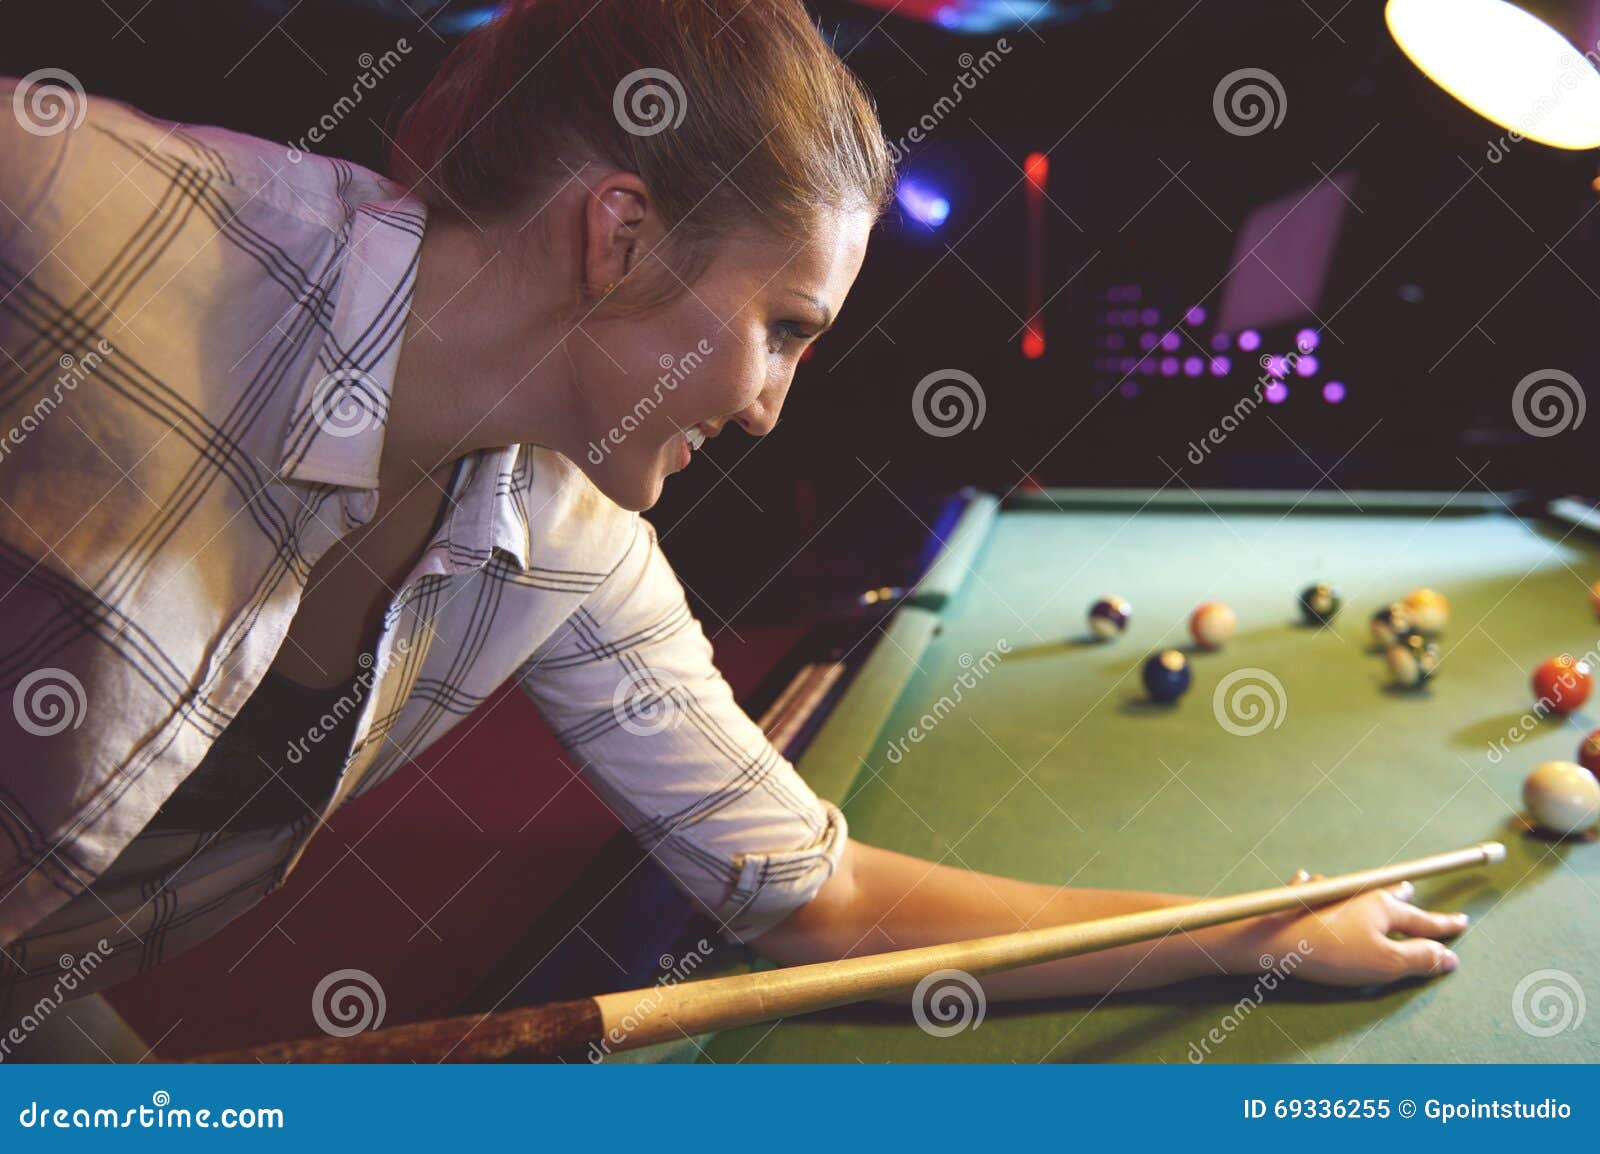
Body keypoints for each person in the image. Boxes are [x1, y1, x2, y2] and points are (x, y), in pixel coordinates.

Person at [0, 0, 1468, 1058]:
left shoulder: (570, 545)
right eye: (782, 326)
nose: (773, 404)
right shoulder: (84, 205)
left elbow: (815, 893)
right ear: (621, 233)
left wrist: (1242, 934)